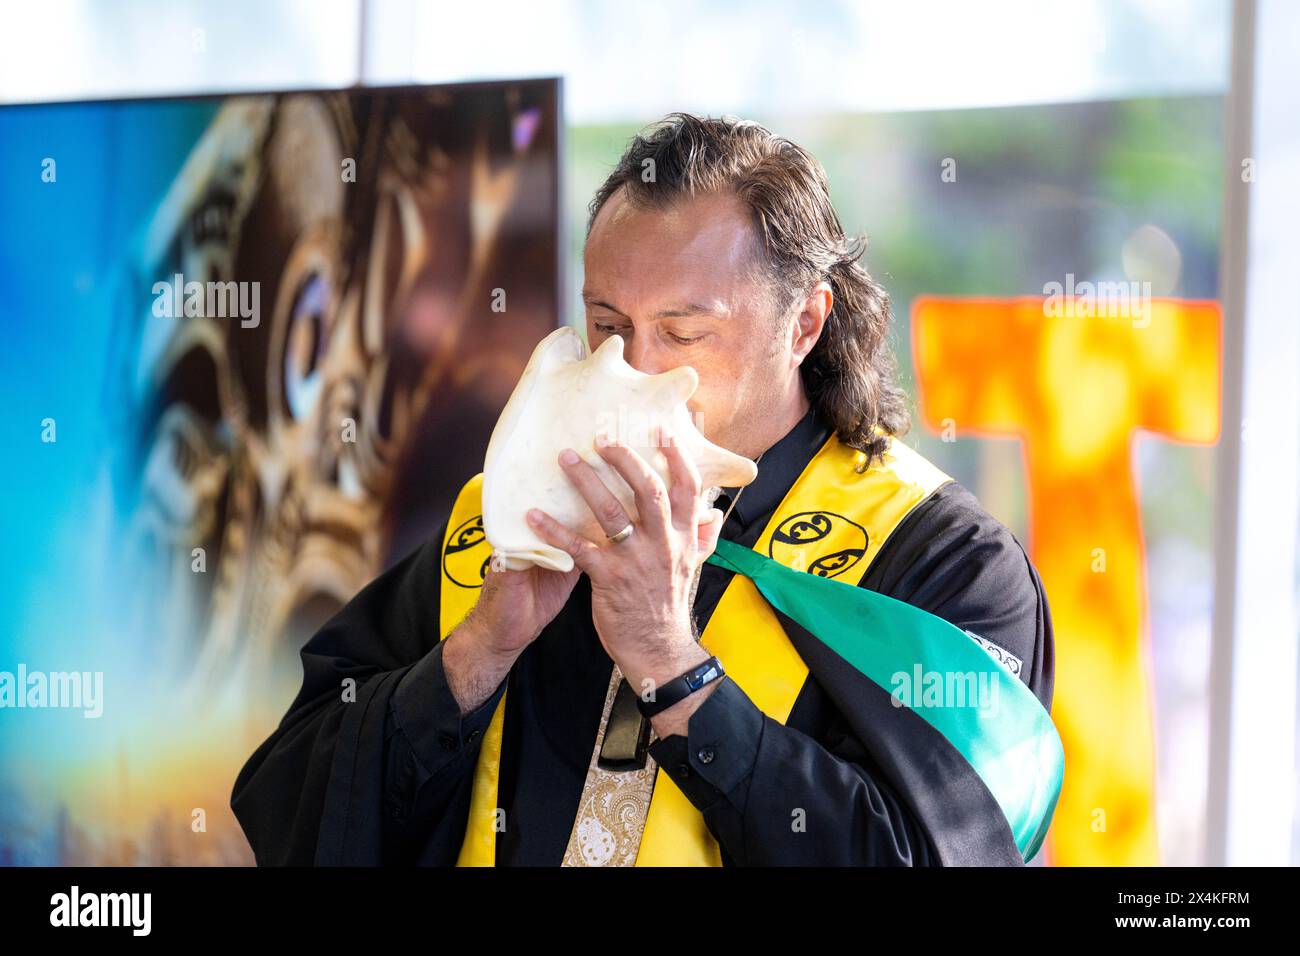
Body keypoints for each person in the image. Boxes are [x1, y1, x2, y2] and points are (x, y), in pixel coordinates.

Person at [231, 113, 1057, 866]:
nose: (633, 366)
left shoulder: (943, 560)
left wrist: (674, 667)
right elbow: (290, 810)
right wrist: (477, 653)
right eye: (609, 324)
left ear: (804, 324)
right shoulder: (503, 521)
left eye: (684, 332)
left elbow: (936, 853)